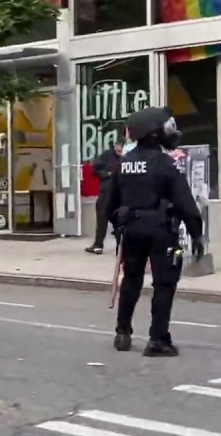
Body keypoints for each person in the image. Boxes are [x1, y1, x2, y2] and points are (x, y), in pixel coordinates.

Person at [102, 106, 203, 358]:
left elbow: (108, 202)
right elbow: (185, 203)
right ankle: (158, 340)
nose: (171, 132)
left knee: (131, 280)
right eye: (166, 128)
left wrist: (117, 227)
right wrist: (197, 234)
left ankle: (122, 332)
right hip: (162, 231)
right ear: (154, 134)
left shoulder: (124, 164)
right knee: (164, 284)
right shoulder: (164, 164)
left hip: (132, 231)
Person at [86, 137, 125, 255]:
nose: (120, 151)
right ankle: (98, 245)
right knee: (102, 219)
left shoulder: (126, 158)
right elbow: (94, 169)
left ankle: (120, 246)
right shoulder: (107, 155)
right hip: (106, 192)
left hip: (119, 194)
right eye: (119, 147)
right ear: (115, 145)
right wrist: (106, 174)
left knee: (118, 221)